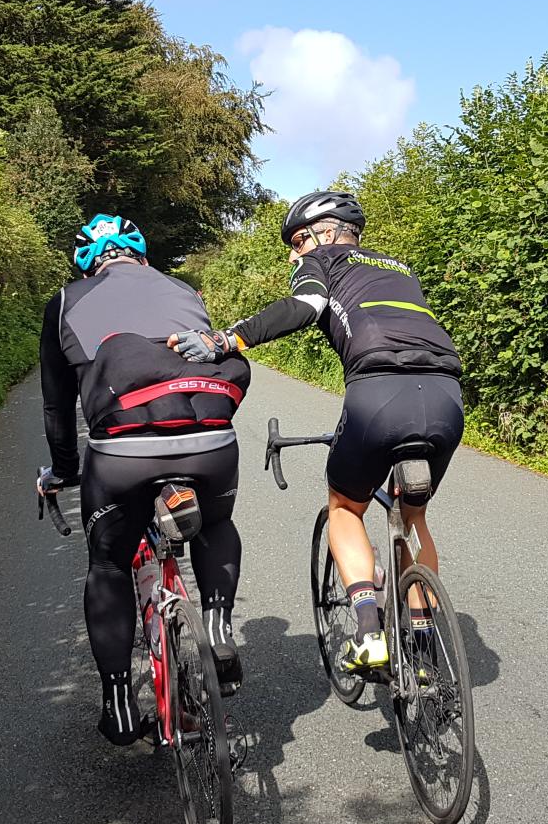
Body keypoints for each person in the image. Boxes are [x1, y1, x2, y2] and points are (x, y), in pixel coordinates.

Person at [170, 191, 463, 674]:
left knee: (346, 507)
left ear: (327, 233)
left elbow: (305, 305)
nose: (294, 252)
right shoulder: (400, 267)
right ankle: (424, 642)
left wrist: (226, 339)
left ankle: (369, 634)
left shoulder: (325, 259)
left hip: (378, 394)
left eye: (298, 239)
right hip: (446, 395)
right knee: (414, 517)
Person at [37, 213, 251, 745]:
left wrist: (62, 471)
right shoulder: (183, 288)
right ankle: (220, 628)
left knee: (109, 563)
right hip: (209, 440)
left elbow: (58, 408)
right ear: (141, 255)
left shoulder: (66, 302)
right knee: (216, 524)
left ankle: (118, 705)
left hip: (123, 452)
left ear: (85, 262)